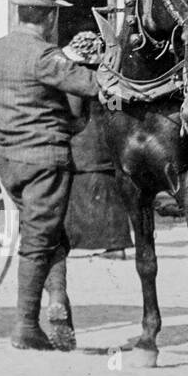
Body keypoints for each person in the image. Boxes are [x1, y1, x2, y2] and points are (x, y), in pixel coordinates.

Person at [0, 0, 98, 351]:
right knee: (39, 240)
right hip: (46, 163)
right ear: (51, 16)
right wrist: (91, 61)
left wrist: (4, 147)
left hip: (11, 165)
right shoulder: (45, 56)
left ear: (19, 11)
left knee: (47, 231)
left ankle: (58, 302)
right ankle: (25, 326)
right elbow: (93, 86)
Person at [60, 31, 132, 263]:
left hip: (84, 144)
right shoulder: (109, 78)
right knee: (110, 197)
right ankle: (115, 245)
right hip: (109, 144)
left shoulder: (78, 80)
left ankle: (91, 245)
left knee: (82, 197)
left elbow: (73, 113)